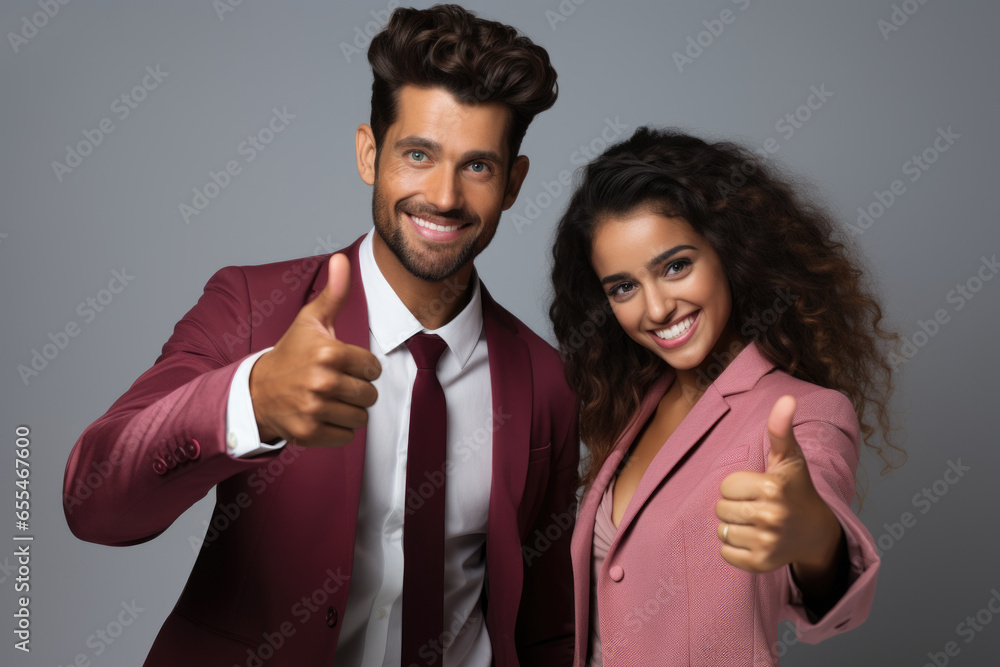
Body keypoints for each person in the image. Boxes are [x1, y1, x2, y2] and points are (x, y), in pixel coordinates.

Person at [62, 5, 579, 666]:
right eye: (418, 154)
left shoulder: (548, 384)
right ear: (369, 153)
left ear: (513, 182)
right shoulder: (252, 307)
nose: (444, 196)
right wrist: (250, 402)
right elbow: (94, 500)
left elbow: (545, 628)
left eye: (477, 166)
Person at [549, 126, 904, 666]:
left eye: (675, 266)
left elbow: (826, 533)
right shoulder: (634, 407)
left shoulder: (803, 412)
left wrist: (814, 540)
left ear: (730, 252)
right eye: (623, 287)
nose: (657, 308)